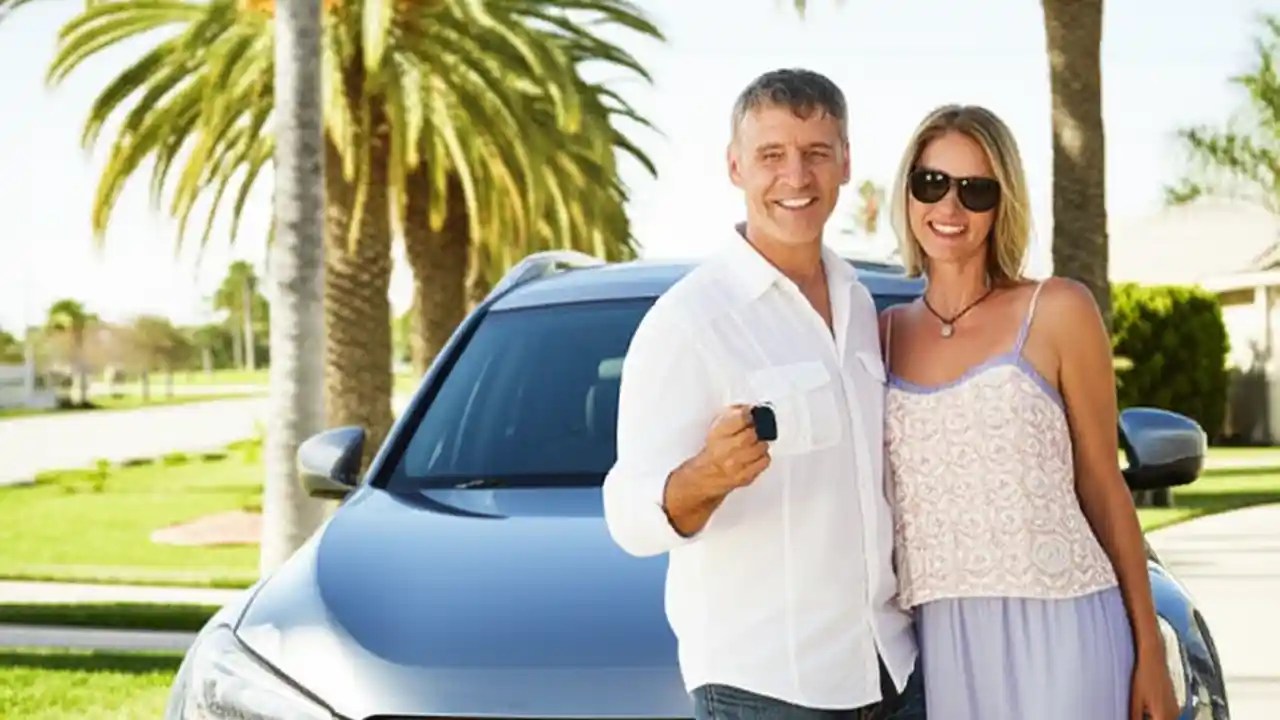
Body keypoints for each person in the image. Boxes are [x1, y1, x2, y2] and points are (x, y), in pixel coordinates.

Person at [601, 68, 924, 720]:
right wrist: (707, 475)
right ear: (735, 166)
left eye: (816, 153)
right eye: (771, 155)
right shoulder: (688, 322)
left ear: (845, 162)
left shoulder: (860, 304)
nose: (796, 176)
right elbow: (628, 516)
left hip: (891, 673)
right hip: (766, 689)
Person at [879, 103, 1179, 720]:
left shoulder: (1058, 310)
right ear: (907, 192)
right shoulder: (879, 337)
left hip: (1067, 630)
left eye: (976, 190)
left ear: (1003, 204)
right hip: (943, 644)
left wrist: (1149, 647)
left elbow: (1103, 483)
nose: (950, 207)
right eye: (932, 183)